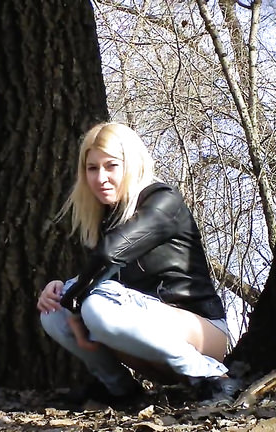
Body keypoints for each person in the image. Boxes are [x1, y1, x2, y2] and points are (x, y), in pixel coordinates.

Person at [37, 122, 240, 407]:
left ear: (131, 164)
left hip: (201, 333)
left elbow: (110, 255)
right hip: (147, 340)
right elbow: (107, 278)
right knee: (53, 311)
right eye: (92, 168)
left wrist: (73, 293)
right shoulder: (107, 216)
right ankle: (119, 389)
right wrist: (60, 292)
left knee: (92, 306)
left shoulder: (162, 201)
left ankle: (214, 378)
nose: (101, 178)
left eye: (111, 166)